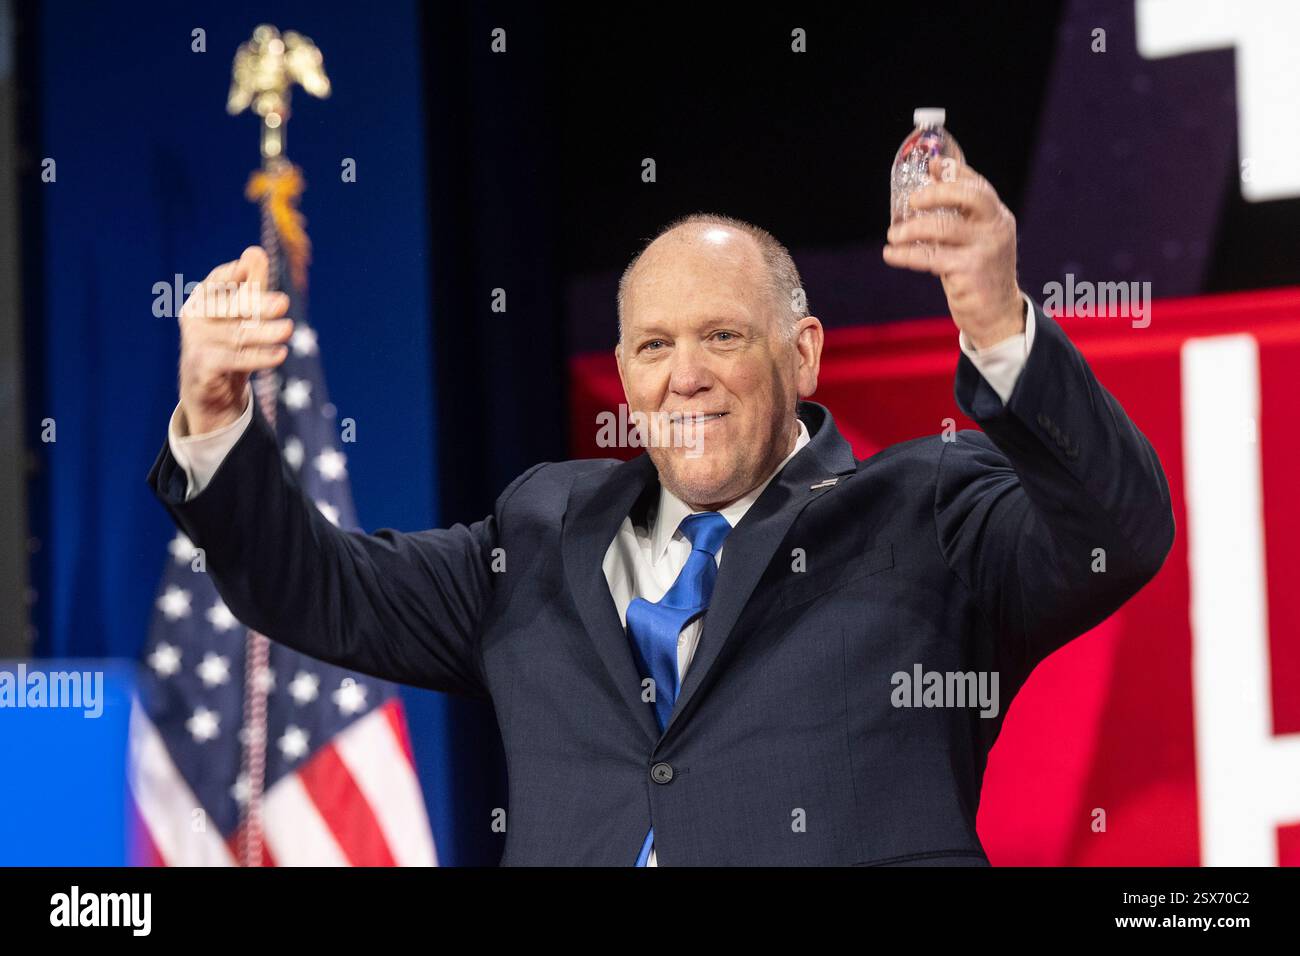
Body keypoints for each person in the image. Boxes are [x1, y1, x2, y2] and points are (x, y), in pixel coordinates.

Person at [148, 161, 1174, 865]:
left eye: (723, 336)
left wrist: (997, 322)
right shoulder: (541, 528)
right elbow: (318, 589)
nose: (684, 377)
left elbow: (1117, 531)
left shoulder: (928, 514)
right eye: (651, 347)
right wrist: (216, 415)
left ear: (803, 354)